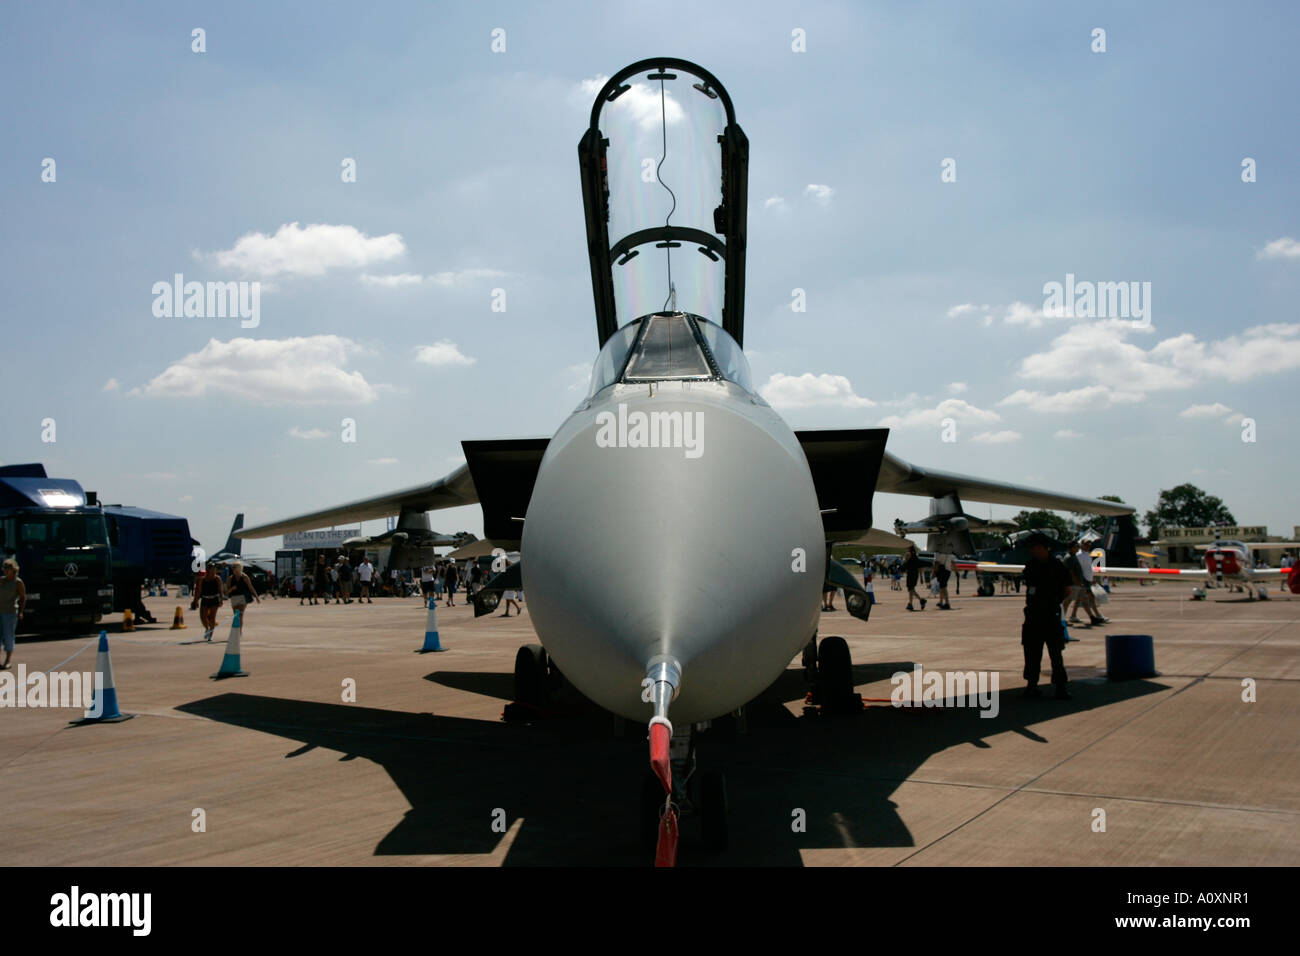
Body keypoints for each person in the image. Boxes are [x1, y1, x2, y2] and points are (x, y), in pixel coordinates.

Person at [1021, 532, 1073, 700]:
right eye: (1031, 548)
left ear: (1044, 547)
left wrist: (1053, 602)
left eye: (1036, 547)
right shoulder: (1030, 566)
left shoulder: (1057, 567)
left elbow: (1067, 590)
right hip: (1033, 616)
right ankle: (1031, 686)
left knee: (1056, 654)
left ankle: (1060, 687)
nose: (1033, 551)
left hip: (1050, 615)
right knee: (1031, 653)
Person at [1066, 542, 1109, 626]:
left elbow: (1087, 568)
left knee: (1081, 599)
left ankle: (1075, 616)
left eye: (1089, 544)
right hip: (1081, 581)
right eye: (1086, 544)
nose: (1088, 546)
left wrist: (1091, 578)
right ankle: (1096, 616)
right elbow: (1074, 571)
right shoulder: (1077, 556)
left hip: (1083, 581)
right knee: (1070, 601)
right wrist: (1079, 581)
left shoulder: (1085, 555)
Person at [0, 558, 27, 670]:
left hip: (10, 613)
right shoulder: (1, 580)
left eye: (8, 569)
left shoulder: (18, 582)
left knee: (8, 636)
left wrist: (21, 611)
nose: (6, 571)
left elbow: (23, 597)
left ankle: (7, 660)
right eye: (4, 568)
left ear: (13, 570)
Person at [197, 563, 224, 641]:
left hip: (214, 599)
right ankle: (207, 628)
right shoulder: (203, 579)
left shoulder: (217, 579)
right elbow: (199, 591)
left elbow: (220, 590)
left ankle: (210, 635)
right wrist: (196, 601)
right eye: (211, 569)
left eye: (214, 569)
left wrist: (221, 599)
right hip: (205, 599)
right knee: (203, 617)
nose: (213, 571)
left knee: (212, 617)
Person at [903, 545, 927, 611]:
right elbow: (919, 566)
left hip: (911, 574)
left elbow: (905, 563)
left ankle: (920, 600)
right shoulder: (915, 556)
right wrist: (921, 577)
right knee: (911, 589)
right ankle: (911, 603)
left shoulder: (908, 554)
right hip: (915, 574)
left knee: (910, 589)